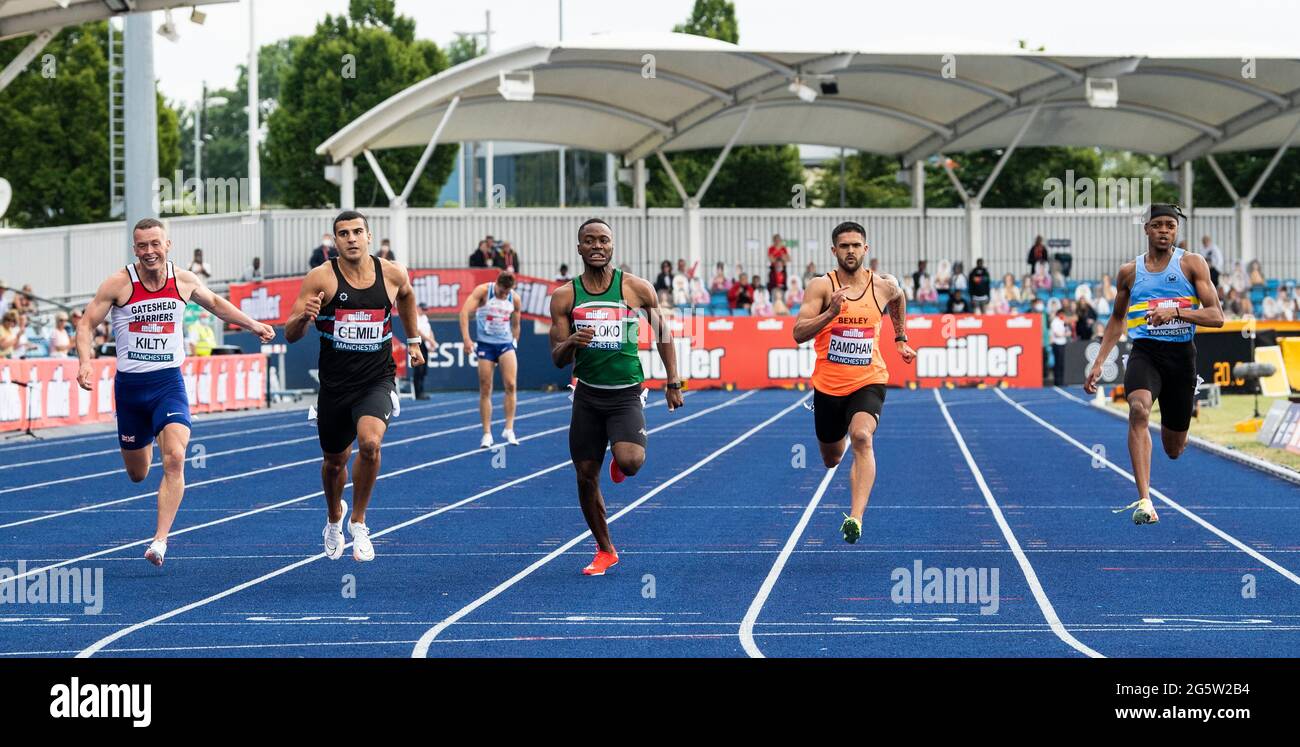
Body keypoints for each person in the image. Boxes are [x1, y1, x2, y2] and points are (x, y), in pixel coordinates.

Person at [75, 218, 274, 566]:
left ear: (168, 245)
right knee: (138, 474)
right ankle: (147, 438)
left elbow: (215, 303)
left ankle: (160, 541)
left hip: (168, 384)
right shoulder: (119, 283)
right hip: (131, 390)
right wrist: (85, 361)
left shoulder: (183, 280)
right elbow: (86, 323)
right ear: (134, 249)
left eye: (155, 244)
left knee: (176, 458)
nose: (149, 251)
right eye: (141, 246)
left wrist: (253, 324)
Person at [285, 210, 425, 562]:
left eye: (356, 232)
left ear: (368, 236)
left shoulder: (392, 273)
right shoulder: (321, 278)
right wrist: (305, 316)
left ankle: (359, 522)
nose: (351, 238)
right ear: (334, 241)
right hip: (334, 385)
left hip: (376, 379)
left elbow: (407, 296)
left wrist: (413, 340)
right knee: (335, 463)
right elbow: (290, 333)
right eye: (343, 233)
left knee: (371, 444)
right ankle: (335, 517)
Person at [549, 218, 683, 576]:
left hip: (625, 395)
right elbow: (557, 357)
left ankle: (618, 457)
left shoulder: (636, 289)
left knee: (631, 463)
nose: (596, 246)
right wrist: (571, 343)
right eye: (589, 240)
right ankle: (605, 549)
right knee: (584, 475)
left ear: (612, 246)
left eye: (603, 240)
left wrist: (673, 381)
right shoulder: (565, 296)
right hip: (587, 397)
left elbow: (662, 332)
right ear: (579, 248)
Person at [1085, 204, 1223, 525]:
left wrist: (1176, 312)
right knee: (1138, 409)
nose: (1164, 231)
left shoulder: (1192, 264)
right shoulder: (1129, 272)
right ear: (1146, 229)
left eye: (1171, 226)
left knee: (1174, 449)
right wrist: (1099, 361)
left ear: (1176, 231)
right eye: (1158, 225)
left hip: (1181, 358)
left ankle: (1174, 434)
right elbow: (1117, 319)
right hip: (1145, 352)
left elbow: (1216, 316)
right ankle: (1145, 499)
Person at [794, 221, 915, 544]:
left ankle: (856, 518)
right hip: (828, 387)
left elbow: (898, 299)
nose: (850, 251)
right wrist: (830, 313)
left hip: (869, 380)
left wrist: (900, 338)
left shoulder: (883, 286)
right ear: (834, 251)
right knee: (831, 458)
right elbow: (798, 334)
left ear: (866, 249)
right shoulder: (821, 286)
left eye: (856, 245)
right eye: (844, 246)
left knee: (862, 436)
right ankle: (839, 437)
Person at [459, 271, 522, 448]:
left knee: (511, 385)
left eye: (507, 292)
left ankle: (509, 428)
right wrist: (466, 339)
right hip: (485, 345)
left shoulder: (514, 298)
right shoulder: (483, 291)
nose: (504, 295)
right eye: (502, 291)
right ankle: (487, 433)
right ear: (497, 284)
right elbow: (464, 313)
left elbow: (516, 323)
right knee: (485, 388)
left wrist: (515, 342)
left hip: (505, 344)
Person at [412, 303, 437, 399]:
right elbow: (418, 331)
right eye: (423, 309)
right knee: (419, 369)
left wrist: (432, 342)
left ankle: (421, 390)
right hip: (418, 344)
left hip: (425, 344)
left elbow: (429, 331)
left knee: (423, 370)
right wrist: (430, 340)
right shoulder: (415, 317)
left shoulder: (424, 318)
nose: (425, 311)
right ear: (418, 308)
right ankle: (417, 392)